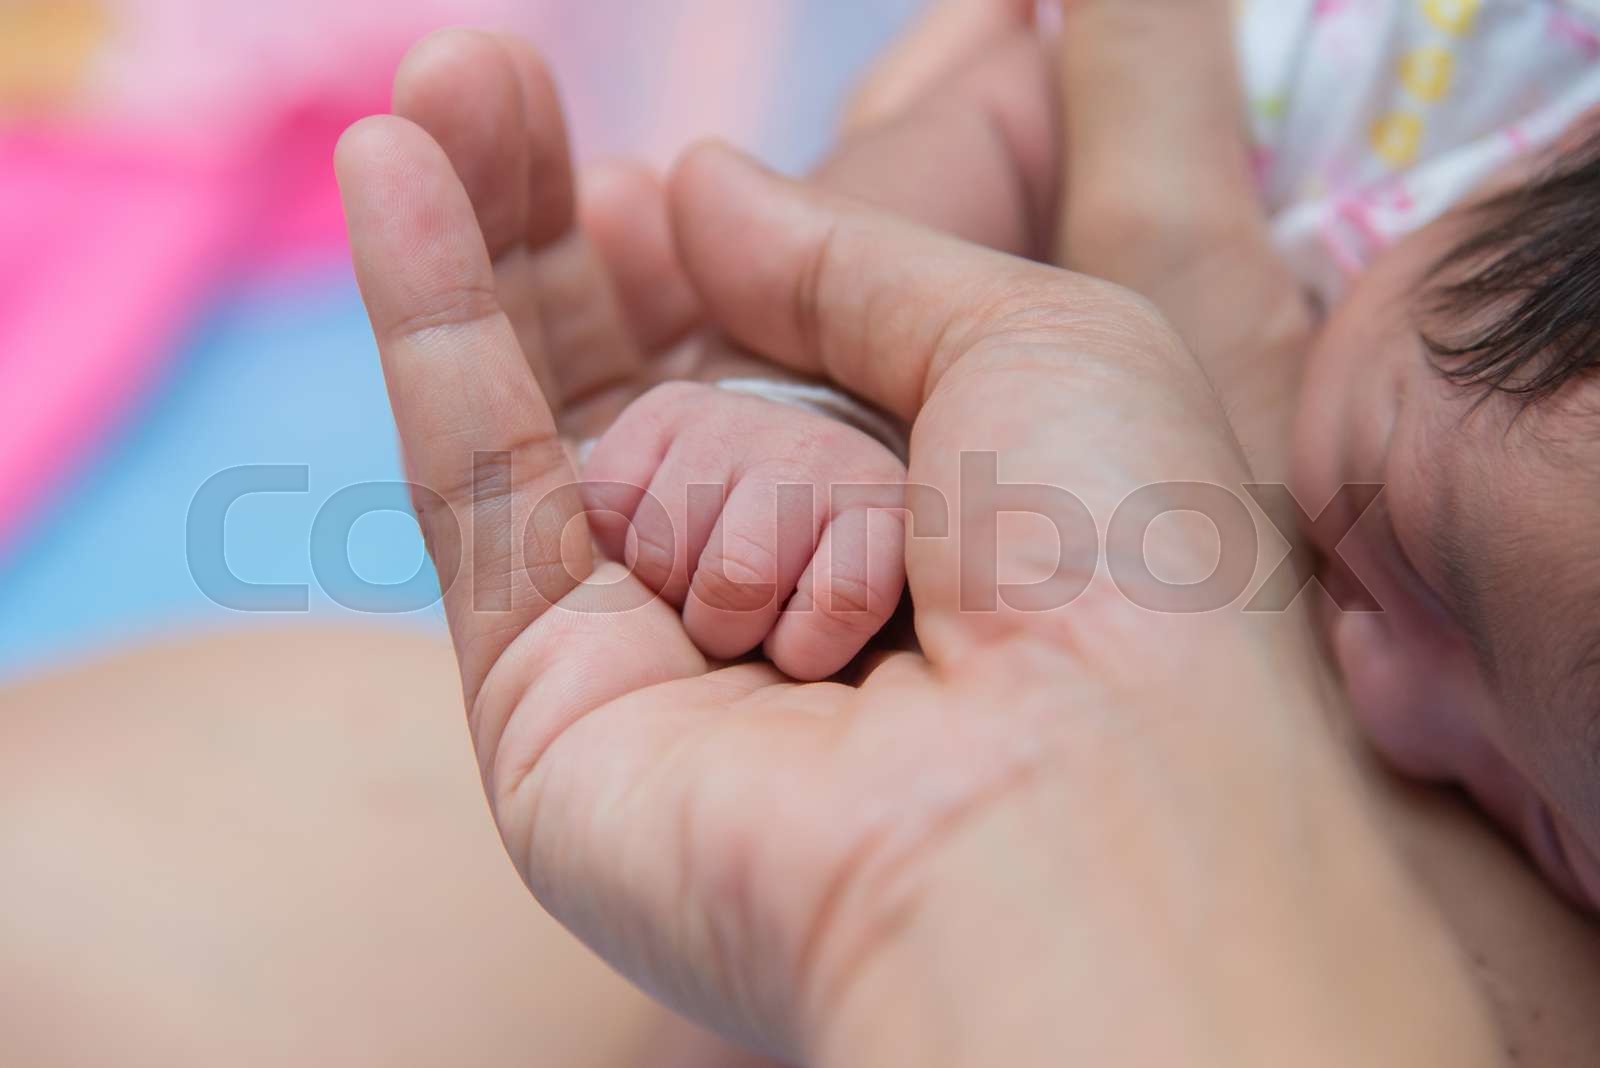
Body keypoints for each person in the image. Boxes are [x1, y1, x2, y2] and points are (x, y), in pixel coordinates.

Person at [5, 4, 1600, 1065]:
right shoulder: (1424, 81)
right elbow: (988, 132)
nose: (1384, 698)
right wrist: (814, 400)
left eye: (1551, 821)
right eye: (1420, 573)